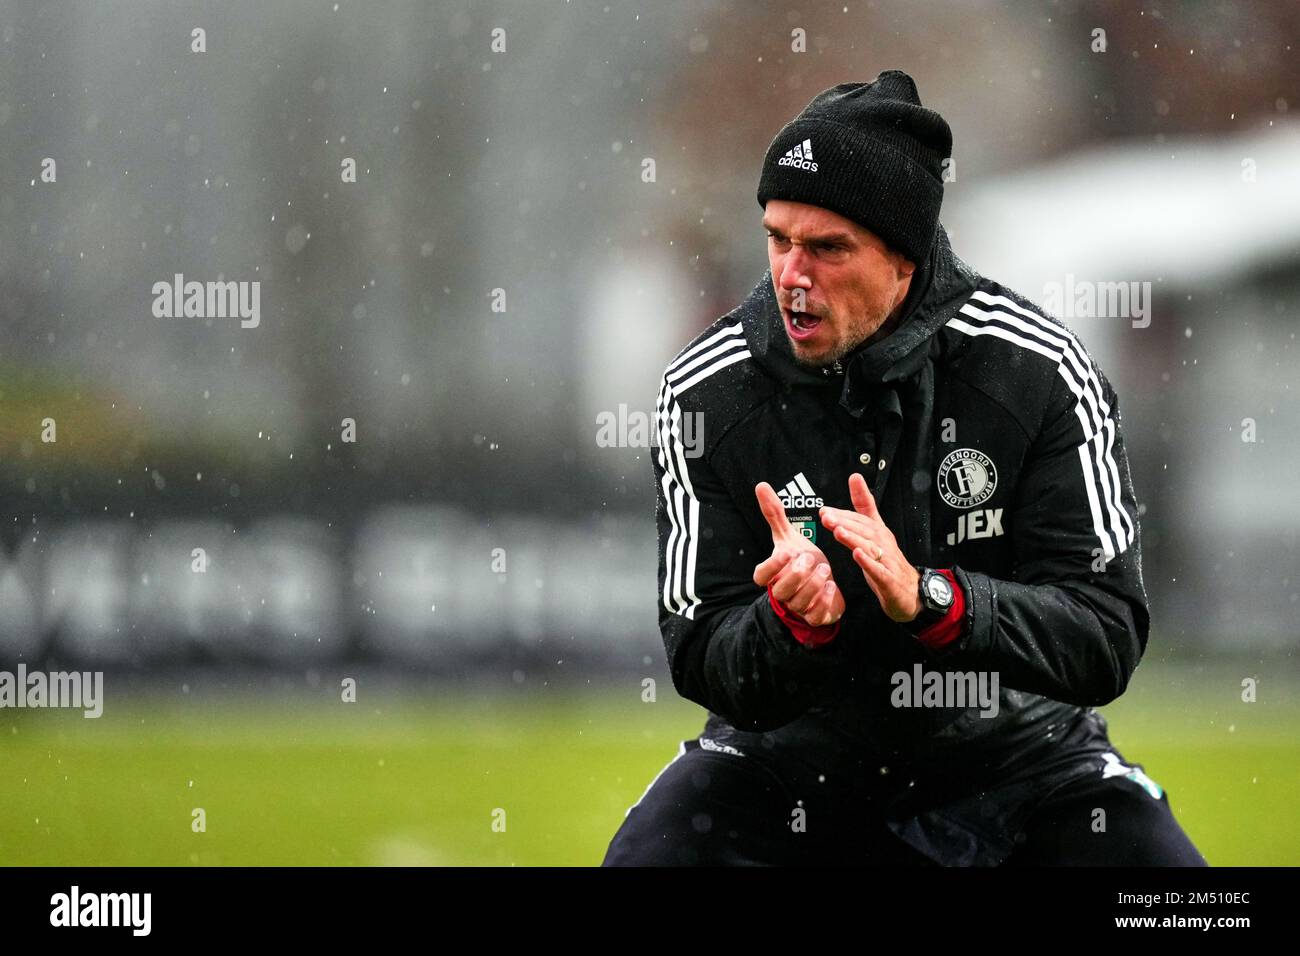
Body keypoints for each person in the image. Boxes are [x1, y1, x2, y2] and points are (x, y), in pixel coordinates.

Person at [602, 70, 1206, 866]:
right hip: (789, 770)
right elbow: (702, 652)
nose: (792, 275)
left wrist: (937, 601)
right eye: (778, 238)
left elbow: (1105, 631)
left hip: (1019, 763)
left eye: (827, 248)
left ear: (904, 256)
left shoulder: (1038, 372)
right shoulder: (708, 391)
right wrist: (787, 625)